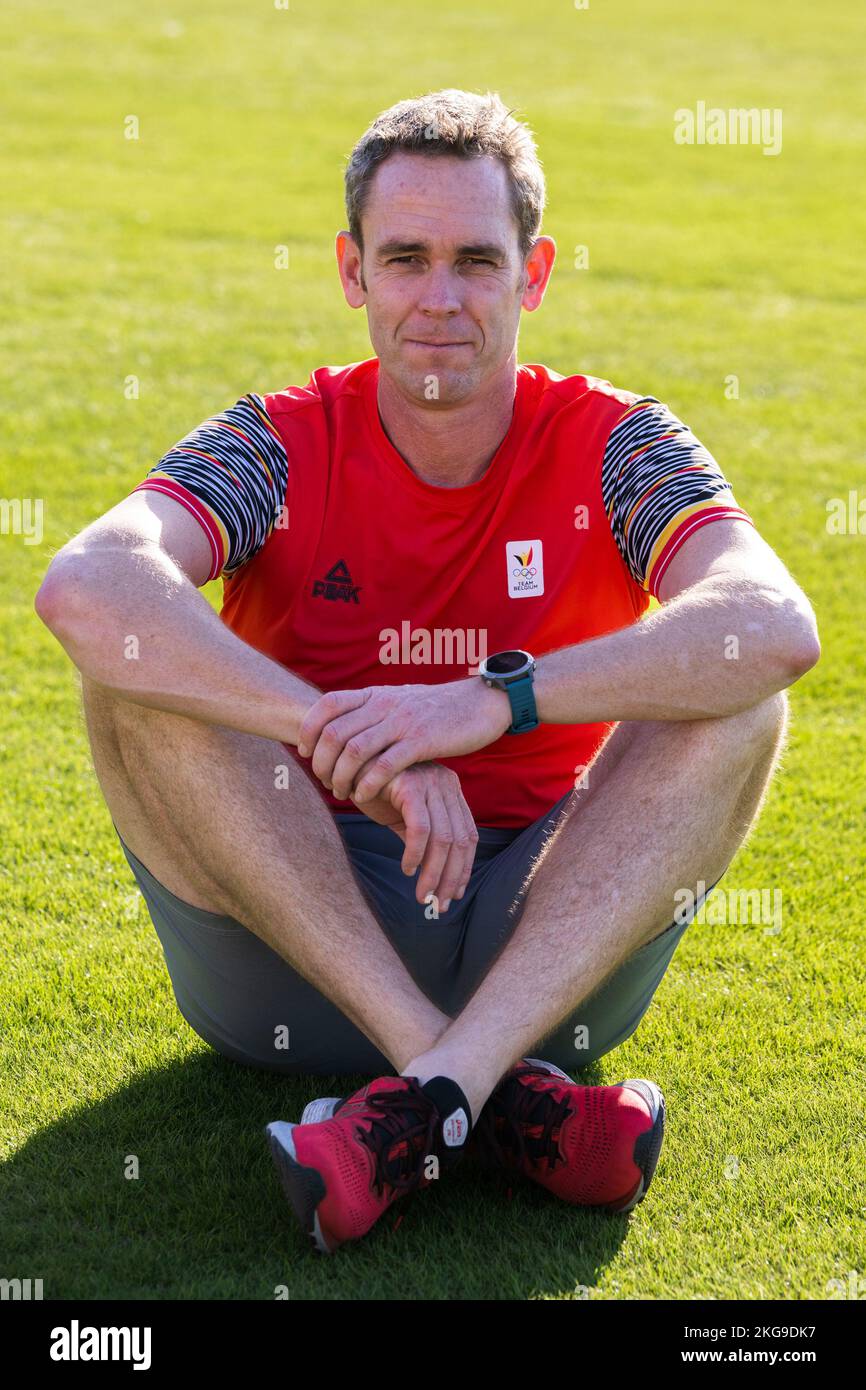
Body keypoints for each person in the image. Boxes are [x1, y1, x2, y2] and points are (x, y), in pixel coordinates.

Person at [35, 89, 819, 1255]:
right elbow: (86, 587)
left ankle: (425, 1100)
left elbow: (771, 621)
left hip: (544, 948)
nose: (439, 299)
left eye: (475, 260)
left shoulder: (616, 441)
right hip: (291, 945)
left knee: (736, 693)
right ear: (352, 271)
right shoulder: (276, 441)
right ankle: (487, 1095)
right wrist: (359, 746)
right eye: (404, 258)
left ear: (534, 272)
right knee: (137, 670)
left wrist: (482, 701)